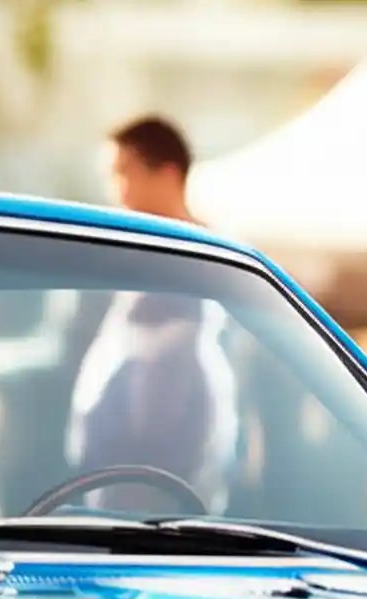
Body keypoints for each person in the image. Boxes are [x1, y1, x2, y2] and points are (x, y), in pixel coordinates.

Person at [66, 115, 238, 514]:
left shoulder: (217, 264)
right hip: (109, 474)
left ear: (167, 174)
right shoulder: (120, 259)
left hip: (177, 477)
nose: (117, 191)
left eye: (125, 173)